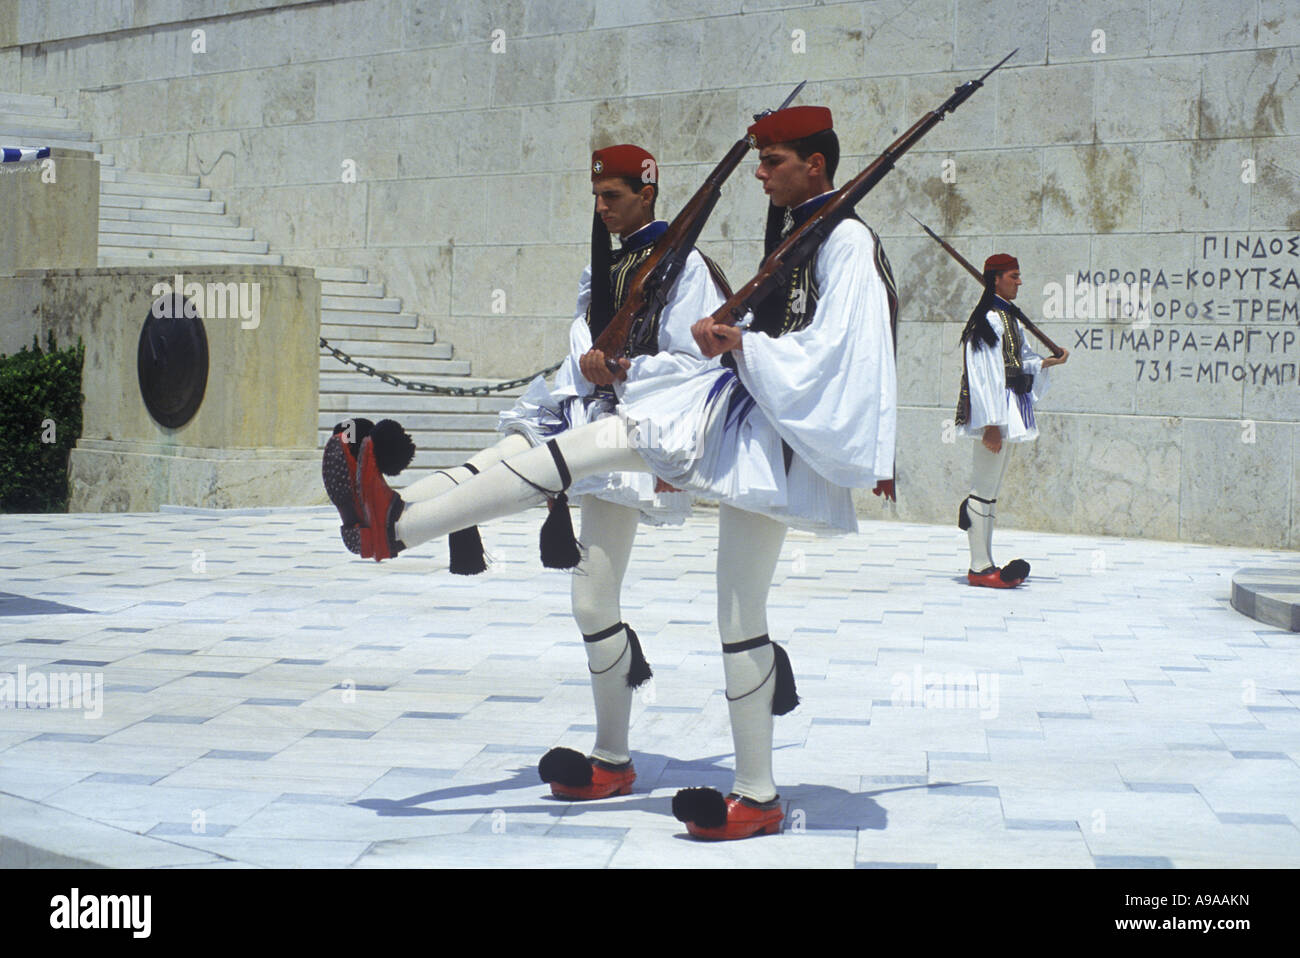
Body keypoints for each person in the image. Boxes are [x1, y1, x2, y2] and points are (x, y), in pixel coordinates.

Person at [350, 106, 897, 841]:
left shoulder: (847, 239)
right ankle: (403, 520)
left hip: (773, 426)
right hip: (750, 412)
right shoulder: (798, 228)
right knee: (685, 580)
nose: (761, 173)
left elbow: (845, 350)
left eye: (773, 161)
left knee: (728, 602)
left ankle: (758, 798)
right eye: (760, 160)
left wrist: (739, 346)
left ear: (817, 166)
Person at [324, 143, 729, 800]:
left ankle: (610, 759)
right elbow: (581, 350)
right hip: (585, 416)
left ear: (649, 193)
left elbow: (699, 365)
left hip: (634, 435)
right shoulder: (606, 264)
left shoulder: (686, 269)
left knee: (591, 600)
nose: (601, 209)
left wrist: (624, 371)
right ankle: (389, 513)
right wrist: (585, 374)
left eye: (614, 198)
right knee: (514, 455)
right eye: (596, 198)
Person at [954, 254, 1069, 588]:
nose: (1020, 281)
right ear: (997, 279)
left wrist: (1048, 362)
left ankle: (984, 563)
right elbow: (982, 374)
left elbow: (1021, 362)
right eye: (1014, 276)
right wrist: (990, 424)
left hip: (1006, 411)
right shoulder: (987, 320)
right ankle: (979, 567)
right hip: (994, 414)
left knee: (991, 491)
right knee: (983, 489)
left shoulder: (1009, 319)